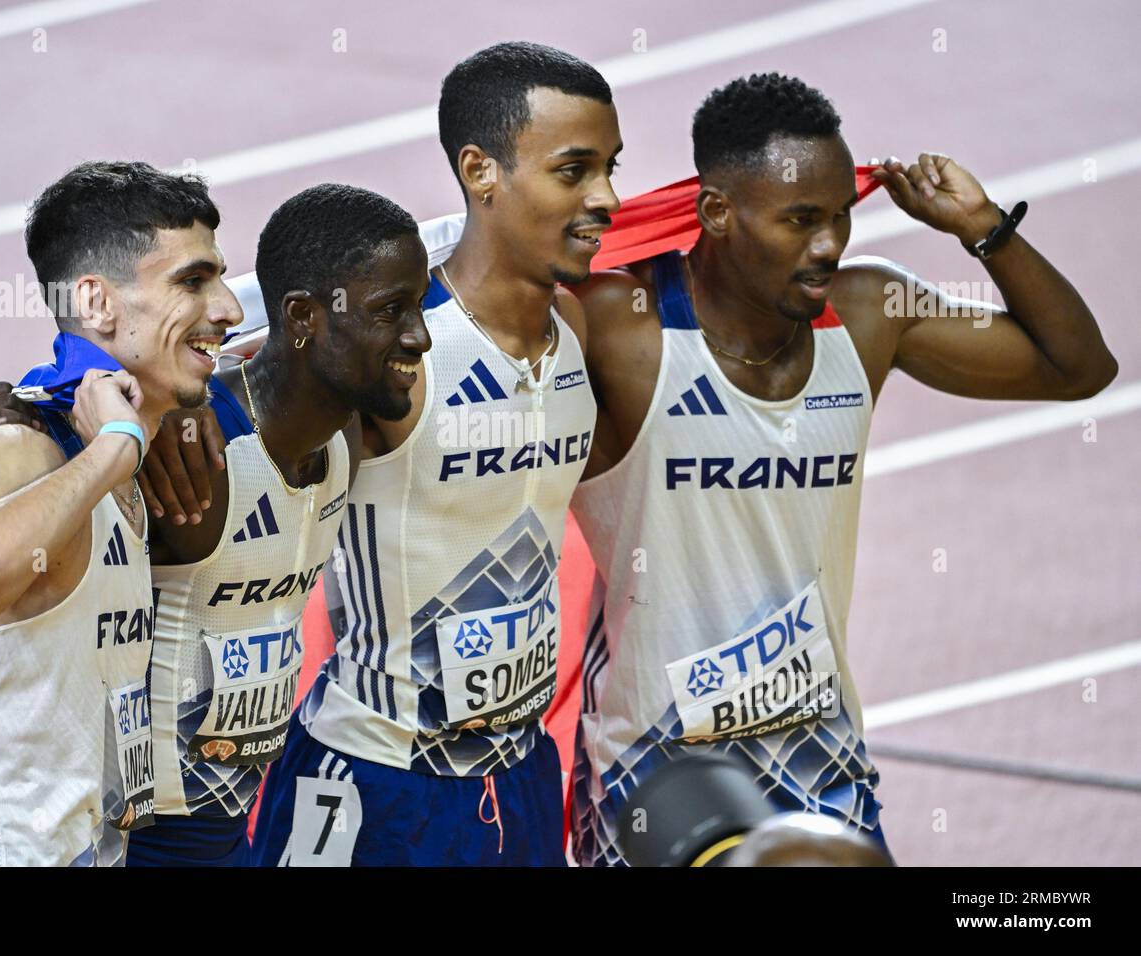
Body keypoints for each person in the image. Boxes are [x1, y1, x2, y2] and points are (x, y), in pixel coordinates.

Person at [567, 73, 1117, 865]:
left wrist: (984, 230)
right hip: (659, 775)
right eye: (800, 220)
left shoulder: (865, 316)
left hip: (820, 763)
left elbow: (1079, 368)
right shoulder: (623, 329)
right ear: (716, 212)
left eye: (840, 217)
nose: (829, 244)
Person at [249, 41, 622, 865]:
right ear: (481, 170)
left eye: (610, 168)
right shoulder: (395, 347)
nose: (607, 198)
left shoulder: (583, 331)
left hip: (520, 777)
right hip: (373, 781)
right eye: (574, 171)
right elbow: (252, 393)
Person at [0, 161, 242, 866]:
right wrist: (113, 453)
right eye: (193, 281)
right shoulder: (19, 447)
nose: (228, 307)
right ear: (97, 303)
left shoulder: (118, 451)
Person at [126, 184, 431, 865]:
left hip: (232, 829)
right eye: (392, 311)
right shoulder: (187, 443)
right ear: (302, 317)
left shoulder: (345, 437)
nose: (420, 335)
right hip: (136, 844)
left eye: (417, 306)